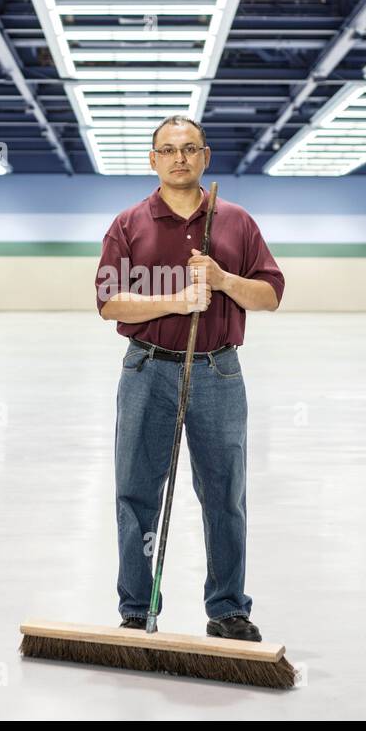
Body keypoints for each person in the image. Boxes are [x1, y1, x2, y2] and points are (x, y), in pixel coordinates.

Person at [94, 115, 285, 641]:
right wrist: (177, 301)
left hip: (217, 371)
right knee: (136, 493)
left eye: (190, 148)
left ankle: (227, 609)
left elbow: (270, 295)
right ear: (152, 160)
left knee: (224, 493)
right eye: (168, 149)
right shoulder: (128, 223)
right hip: (146, 369)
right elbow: (109, 303)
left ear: (206, 156)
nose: (180, 158)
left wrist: (224, 280)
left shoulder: (237, 222)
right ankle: (137, 607)